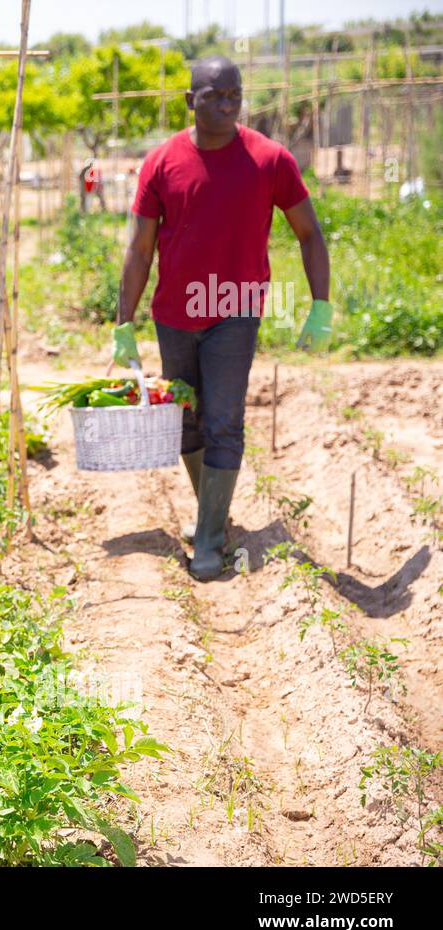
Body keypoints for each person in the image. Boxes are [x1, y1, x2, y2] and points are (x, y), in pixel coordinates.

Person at [113, 54, 331, 581]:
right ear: (191, 100)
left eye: (234, 94)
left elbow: (309, 233)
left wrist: (320, 302)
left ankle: (209, 539)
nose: (228, 103)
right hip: (174, 314)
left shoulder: (270, 159)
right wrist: (124, 322)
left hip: (234, 310)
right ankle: (214, 512)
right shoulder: (162, 162)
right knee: (186, 421)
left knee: (224, 421)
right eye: (215, 95)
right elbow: (140, 248)